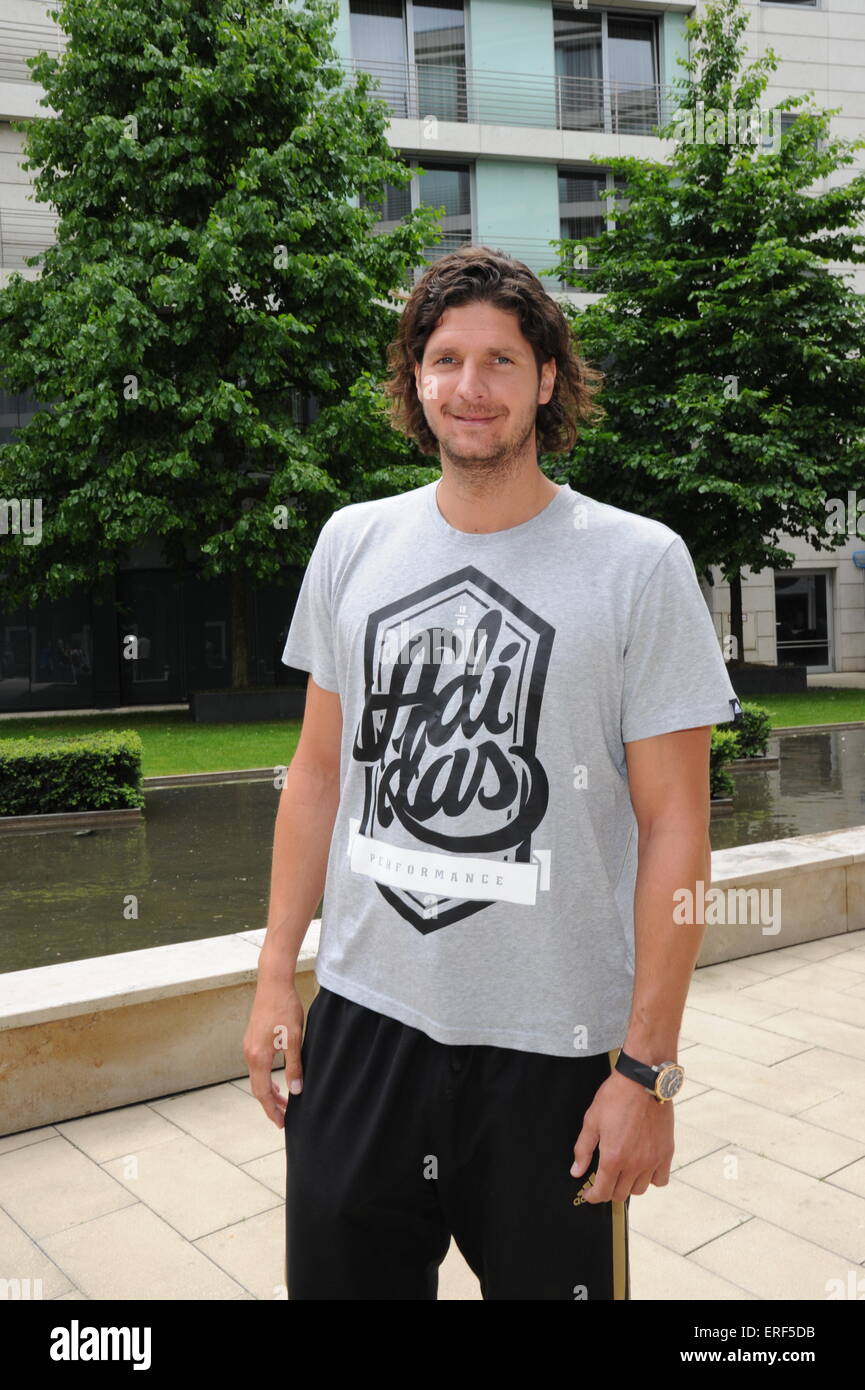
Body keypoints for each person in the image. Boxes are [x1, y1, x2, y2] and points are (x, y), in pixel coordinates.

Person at [243, 245, 742, 1301]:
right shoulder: (350, 543)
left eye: (502, 361)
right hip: (366, 1027)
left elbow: (677, 831)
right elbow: (318, 774)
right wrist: (275, 968)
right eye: (445, 359)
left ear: (546, 379)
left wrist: (646, 1070)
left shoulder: (637, 563)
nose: (471, 388)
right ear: (415, 379)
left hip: (553, 1051)